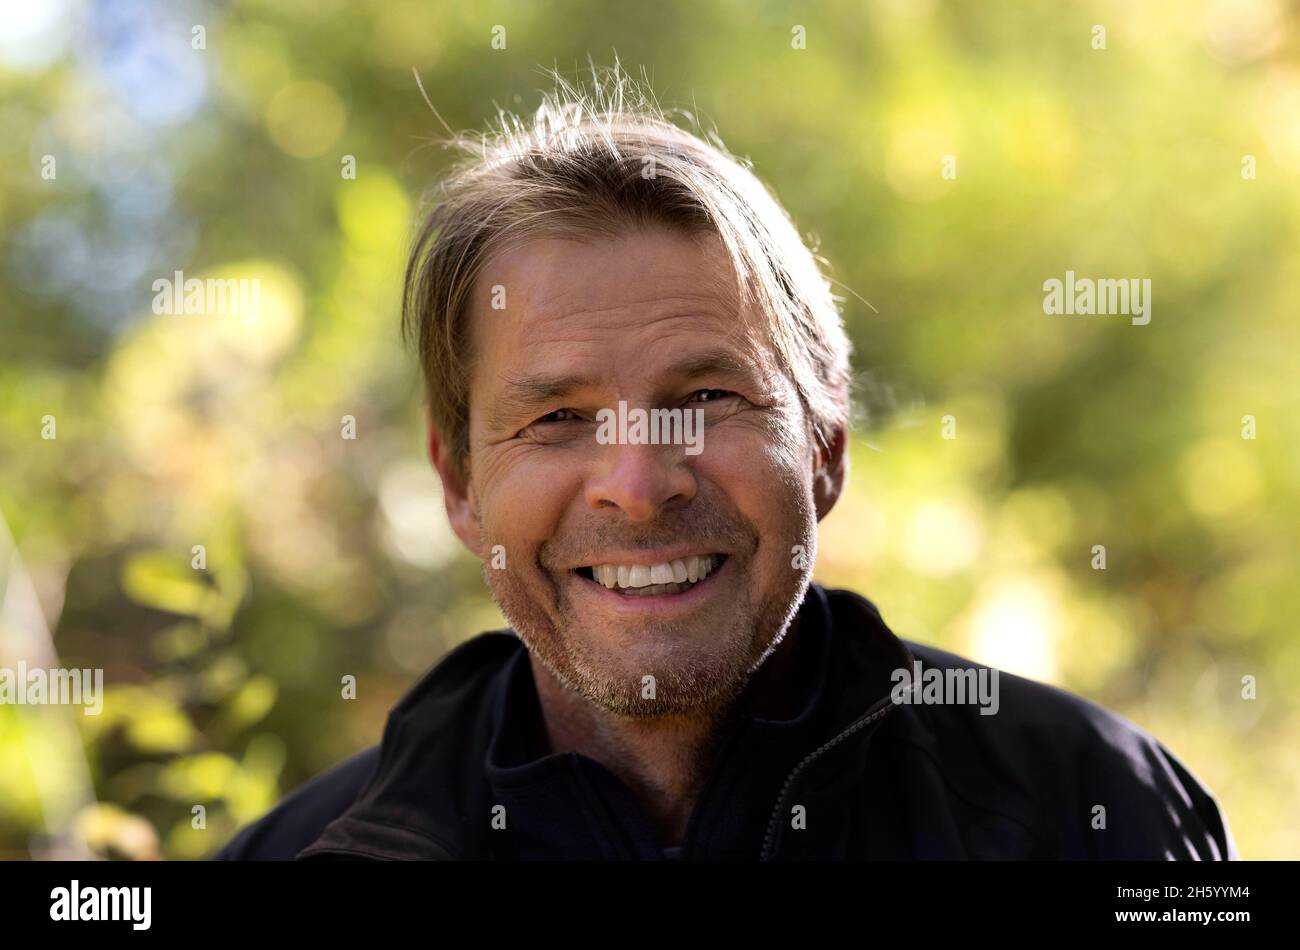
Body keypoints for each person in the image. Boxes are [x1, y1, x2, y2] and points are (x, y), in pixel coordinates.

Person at [218, 72, 1236, 861]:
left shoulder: (1091, 811)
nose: (638, 481)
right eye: (559, 416)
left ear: (825, 443)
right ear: (458, 483)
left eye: (705, 399)